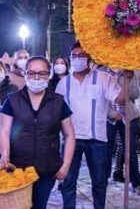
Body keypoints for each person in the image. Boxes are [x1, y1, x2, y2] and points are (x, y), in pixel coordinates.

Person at [55, 42, 131, 209]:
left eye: (81, 55)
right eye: (74, 56)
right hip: (71, 140)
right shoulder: (63, 84)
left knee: (99, 181)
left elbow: (120, 100)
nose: (77, 59)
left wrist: (127, 80)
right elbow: (57, 111)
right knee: (68, 181)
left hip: (97, 139)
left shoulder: (104, 78)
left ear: (89, 58)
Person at [0, 56, 75, 209]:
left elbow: (69, 135)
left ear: (49, 74)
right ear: (25, 74)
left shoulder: (58, 102)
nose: (36, 77)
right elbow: (4, 131)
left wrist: (66, 164)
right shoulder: (12, 101)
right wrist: (5, 154)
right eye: (31, 73)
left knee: (39, 206)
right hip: (17, 167)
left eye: (42, 73)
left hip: (47, 168)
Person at [106, 70, 140, 196]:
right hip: (108, 117)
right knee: (105, 151)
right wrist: (112, 114)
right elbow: (100, 98)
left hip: (129, 116)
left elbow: (135, 94)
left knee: (130, 152)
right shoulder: (103, 73)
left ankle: (137, 183)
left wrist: (127, 80)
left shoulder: (130, 72)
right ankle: (102, 180)